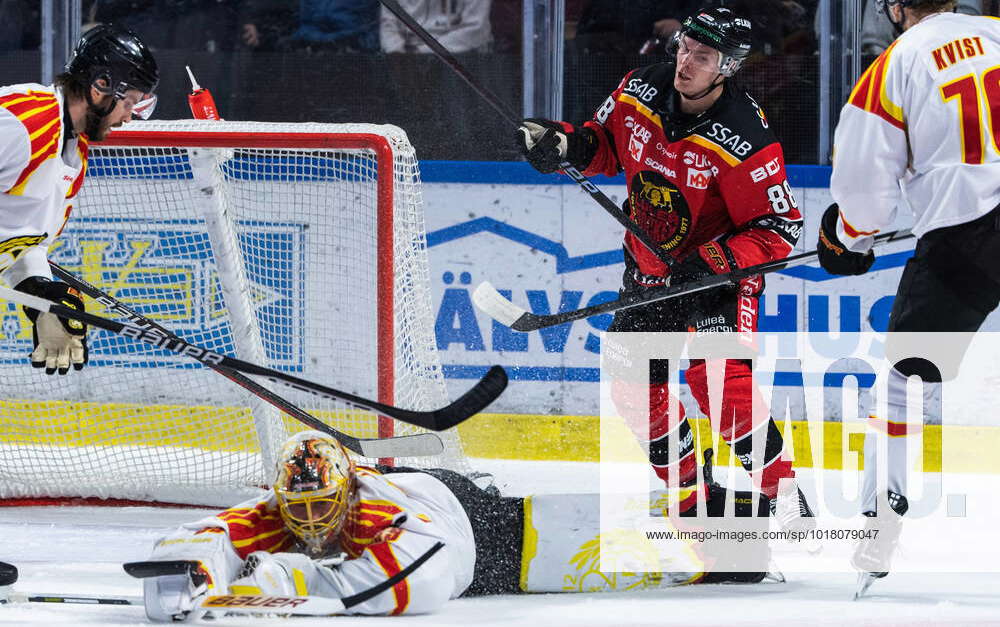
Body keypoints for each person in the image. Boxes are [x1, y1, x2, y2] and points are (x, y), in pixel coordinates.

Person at [516, 7, 815, 534]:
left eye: (704, 57)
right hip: (650, 269)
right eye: (684, 47)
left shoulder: (744, 136)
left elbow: (778, 227)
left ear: (727, 67)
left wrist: (710, 263)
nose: (687, 62)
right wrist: (564, 144)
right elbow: (604, 144)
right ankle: (688, 492)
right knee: (634, 389)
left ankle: (782, 493)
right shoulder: (638, 89)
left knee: (721, 389)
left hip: (718, 278)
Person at [138, 431, 778, 621]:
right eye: (296, 511)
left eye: (318, 509)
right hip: (440, 505)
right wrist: (195, 578)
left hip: (483, 534)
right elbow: (196, 538)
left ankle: (741, 520)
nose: (307, 523)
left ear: (347, 491)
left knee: (730, 543)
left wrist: (291, 577)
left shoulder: (382, 511)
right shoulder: (287, 505)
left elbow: (413, 588)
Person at [815, 0, 1000, 594]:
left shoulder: (897, 62)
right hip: (965, 224)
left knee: (906, 381)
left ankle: (882, 524)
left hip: (964, 239)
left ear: (895, 8)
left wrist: (847, 237)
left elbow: (865, 190)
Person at [0, 24, 158, 375]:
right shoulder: (25, 121)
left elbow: (18, 242)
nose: (129, 116)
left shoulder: (72, 151)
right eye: (129, 101)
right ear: (101, 85)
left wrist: (41, 296)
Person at [380, 0, 492, 54]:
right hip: (405, 56)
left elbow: (476, 30)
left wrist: (421, 52)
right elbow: (388, 24)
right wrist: (396, 51)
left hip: (459, 56)